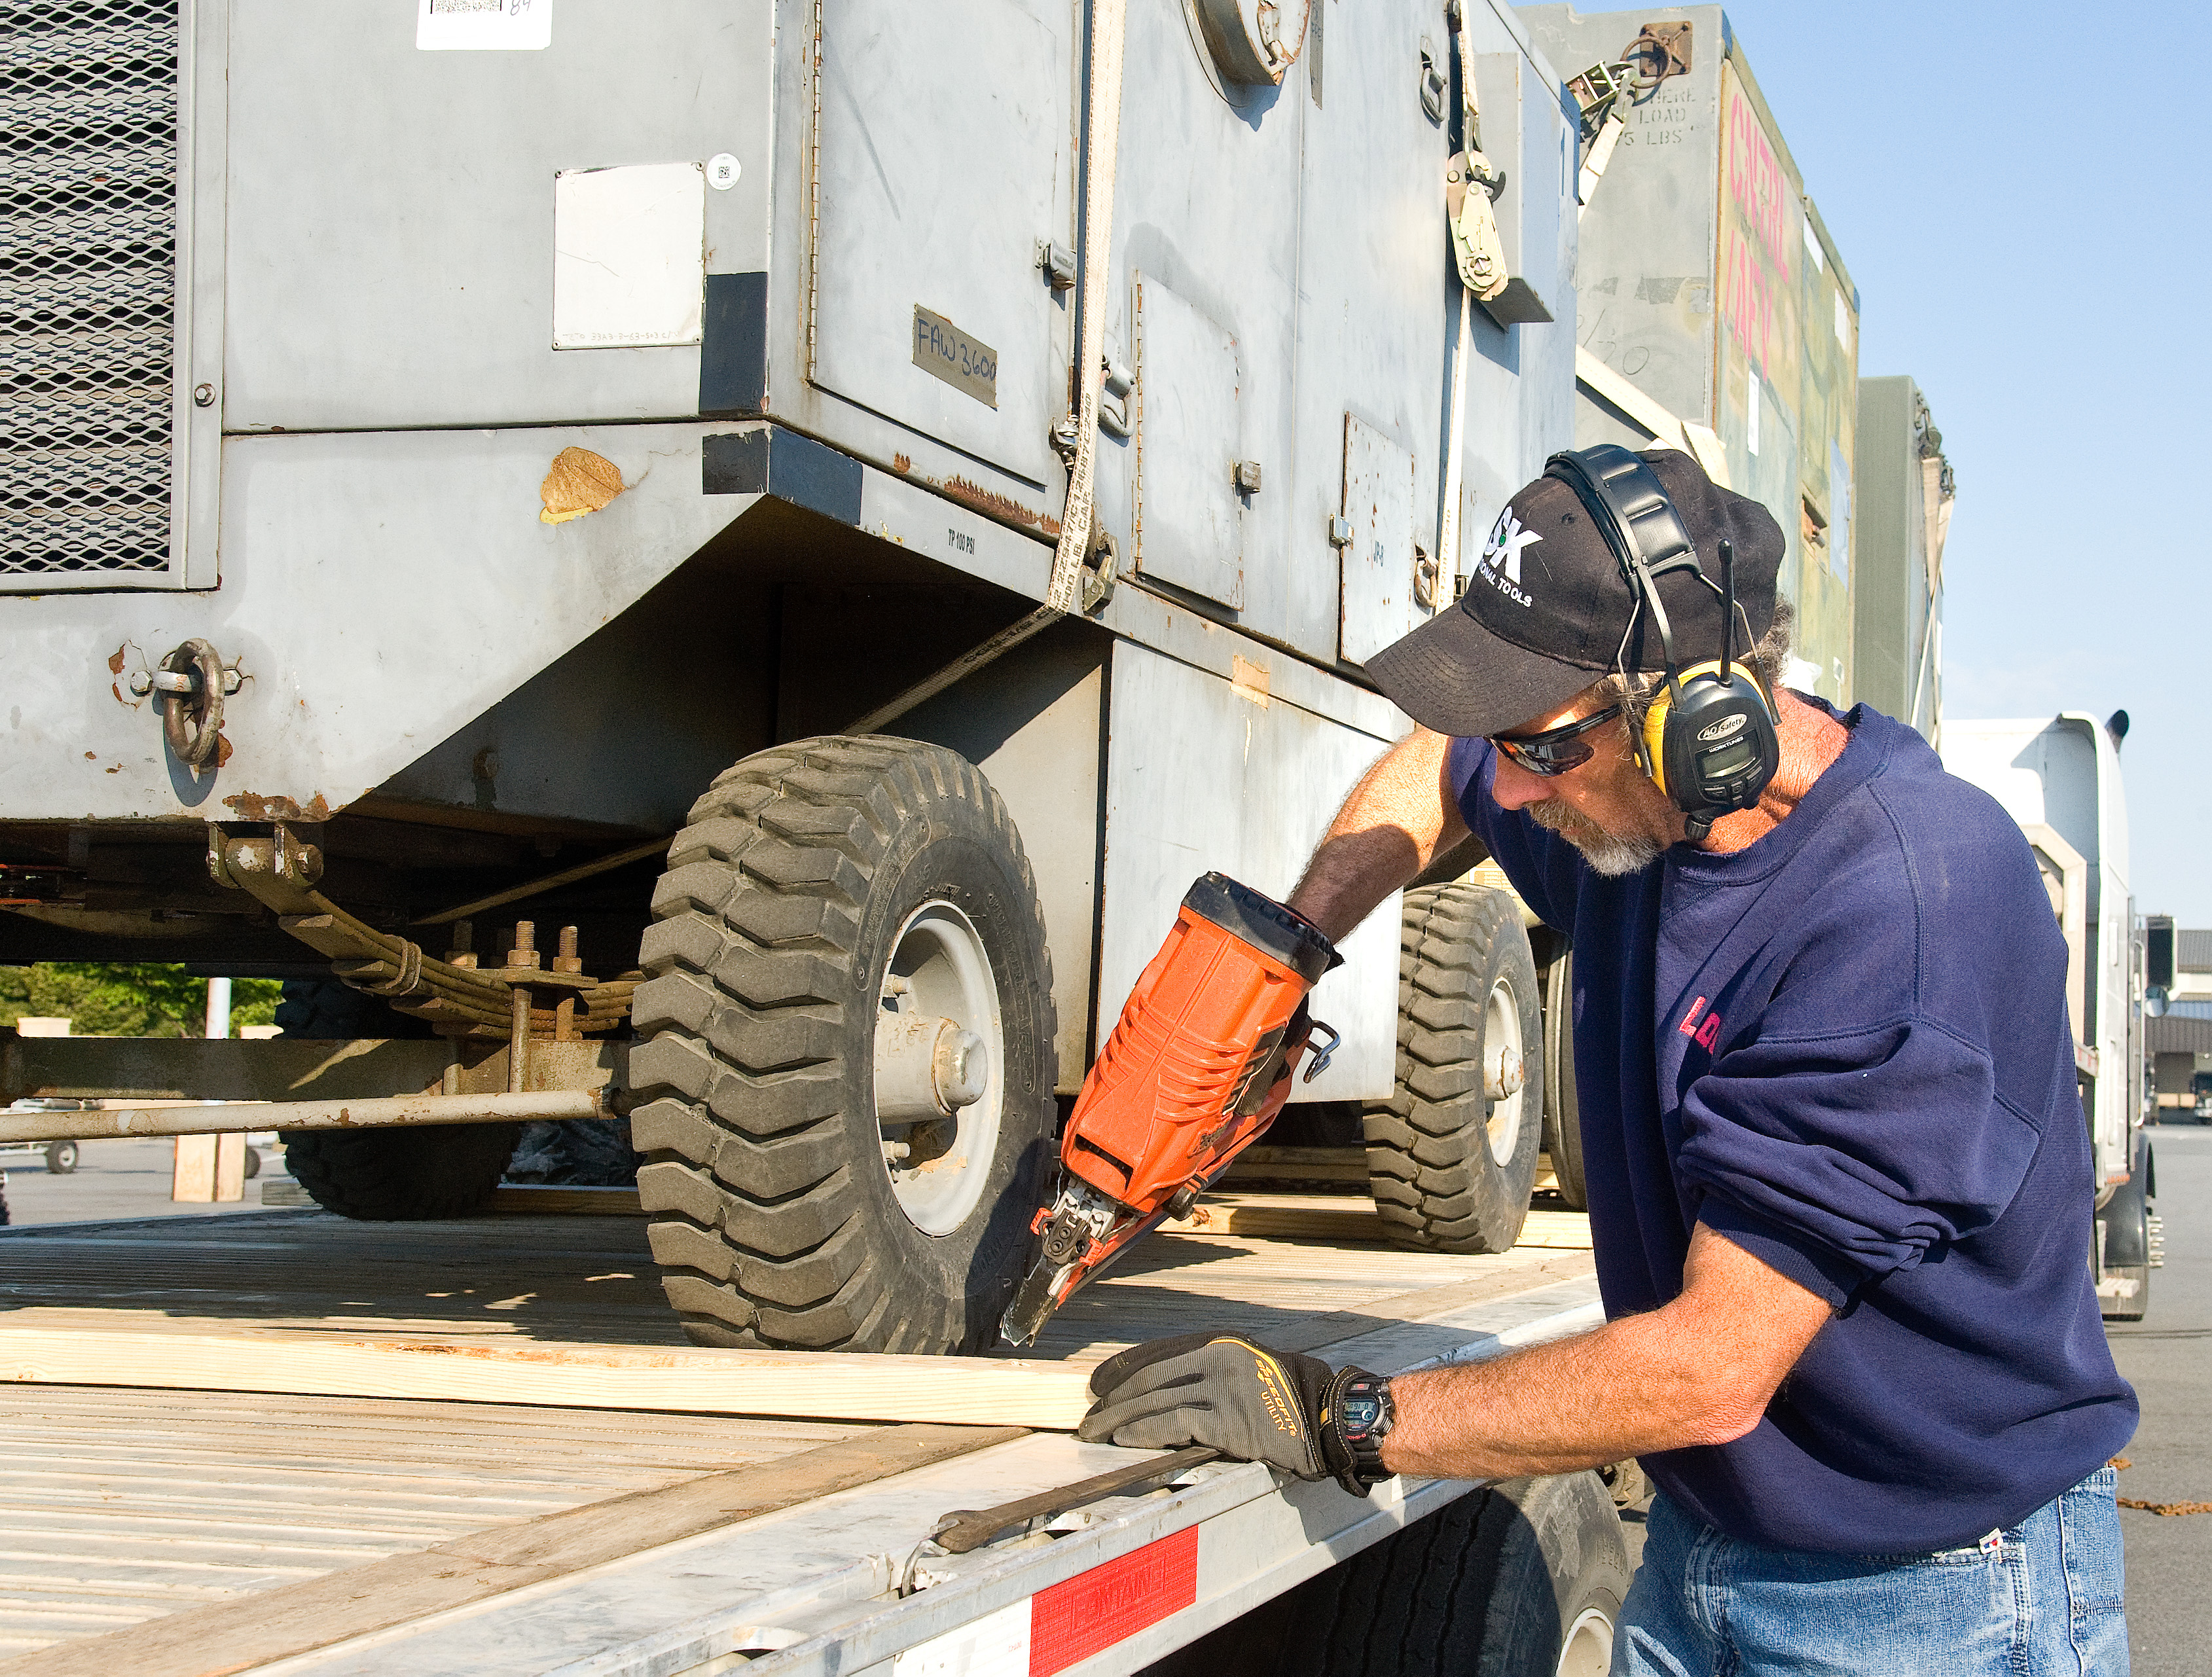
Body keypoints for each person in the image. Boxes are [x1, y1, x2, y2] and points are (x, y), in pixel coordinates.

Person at [1077, 448, 2136, 1675]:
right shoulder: (1619, 803)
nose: (1514, 795)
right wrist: (1290, 947)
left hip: (1932, 1601)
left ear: (1700, 721)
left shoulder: (1904, 909)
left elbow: (1708, 1368)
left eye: (1538, 750)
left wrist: (1345, 1418)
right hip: (1703, 1551)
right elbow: (1448, 763)